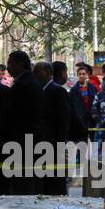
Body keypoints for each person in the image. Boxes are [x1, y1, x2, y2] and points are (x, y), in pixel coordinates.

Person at [0, 51, 43, 194]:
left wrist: (2, 132)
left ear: (20, 64)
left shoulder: (24, 84)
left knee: (22, 179)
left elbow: (14, 113)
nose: (9, 67)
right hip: (29, 138)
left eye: (11, 64)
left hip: (22, 139)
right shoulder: (30, 82)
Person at [35, 61, 72, 195]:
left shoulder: (58, 91)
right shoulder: (37, 91)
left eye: (38, 72)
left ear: (48, 73)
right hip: (40, 144)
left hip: (55, 144)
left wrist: (61, 143)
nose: (35, 75)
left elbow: (63, 120)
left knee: (56, 180)